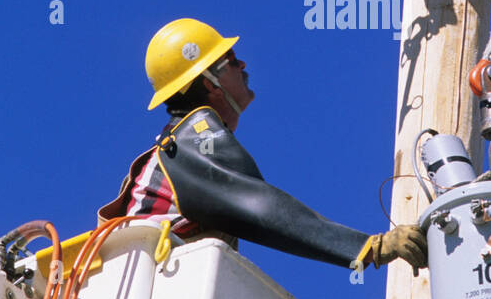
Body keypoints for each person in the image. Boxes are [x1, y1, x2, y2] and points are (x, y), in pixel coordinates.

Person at [97, 18, 427, 273]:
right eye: (230, 60)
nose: (243, 66)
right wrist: (368, 246)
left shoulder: (177, 145)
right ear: (208, 83)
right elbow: (258, 205)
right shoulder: (191, 138)